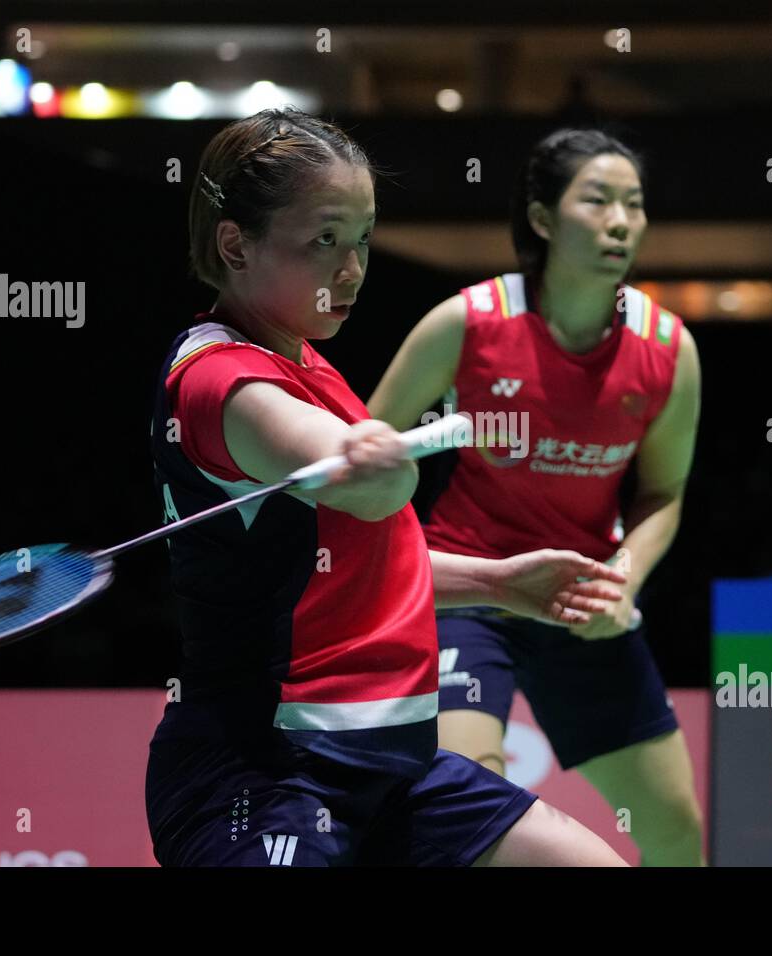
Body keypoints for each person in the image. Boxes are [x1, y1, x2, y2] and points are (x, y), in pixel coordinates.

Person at [144, 109, 630, 866]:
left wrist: (499, 584)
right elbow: (353, 481)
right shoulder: (220, 380)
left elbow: (350, 561)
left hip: (393, 770)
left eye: (363, 238)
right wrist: (364, 457)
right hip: (269, 772)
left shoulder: (302, 362)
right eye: (325, 240)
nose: (353, 268)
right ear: (234, 243)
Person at [368, 128, 705, 865]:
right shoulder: (470, 323)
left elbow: (664, 492)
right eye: (598, 201)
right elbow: (364, 455)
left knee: (676, 830)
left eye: (634, 205)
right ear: (544, 219)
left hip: (581, 600)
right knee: (470, 805)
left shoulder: (667, 350)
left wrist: (624, 579)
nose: (621, 221)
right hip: (470, 593)